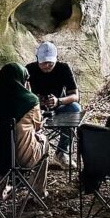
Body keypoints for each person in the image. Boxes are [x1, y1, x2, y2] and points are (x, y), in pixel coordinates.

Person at [0, 63, 49, 197]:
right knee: (44, 141)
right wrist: (29, 92)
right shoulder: (30, 100)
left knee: (2, 141)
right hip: (21, 159)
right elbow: (38, 126)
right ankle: (38, 192)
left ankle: (0, 190)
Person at [26, 41, 80, 169]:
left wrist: (58, 101)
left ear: (56, 59)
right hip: (34, 108)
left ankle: (62, 152)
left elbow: (75, 96)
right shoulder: (29, 69)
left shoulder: (63, 68)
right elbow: (22, 92)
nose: (46, 66)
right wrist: (35, 99)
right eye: (43, 63)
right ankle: (31, 152)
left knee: (75, 108)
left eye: (50, 63)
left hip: (58, 107)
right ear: (37, 60)